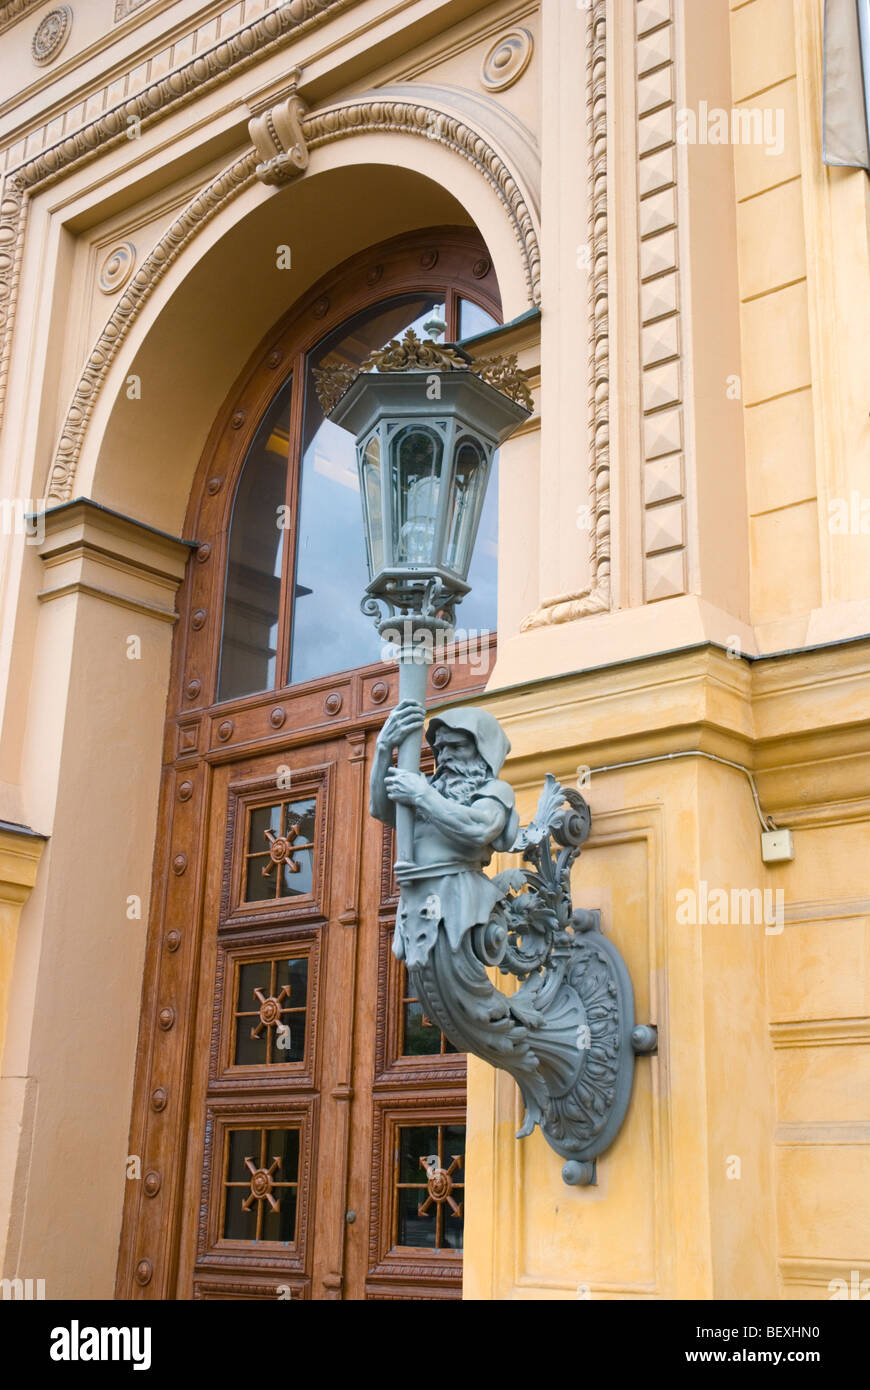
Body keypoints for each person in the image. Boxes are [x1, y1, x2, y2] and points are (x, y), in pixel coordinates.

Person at [370, 701, 519, 968]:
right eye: (440, 748)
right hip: (415, 896)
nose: (445, 756)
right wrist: (383, 749)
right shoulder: (428, 788)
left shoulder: (495, 790)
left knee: (456, 982)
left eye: (457, 746)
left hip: (457, 892)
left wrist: (421, 794)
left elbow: (479, 827)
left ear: (484, 752)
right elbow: (380, 809)